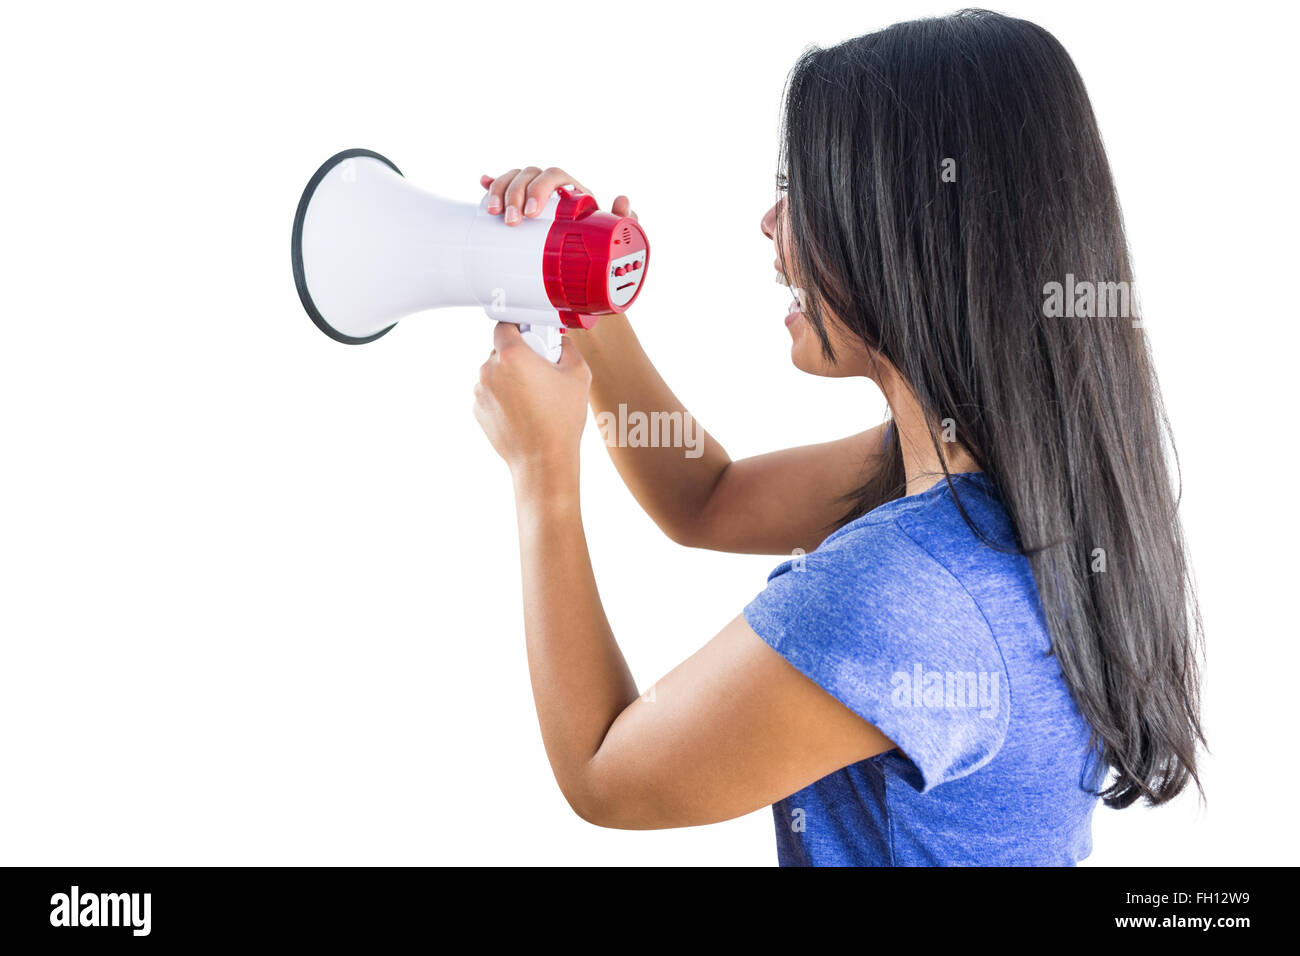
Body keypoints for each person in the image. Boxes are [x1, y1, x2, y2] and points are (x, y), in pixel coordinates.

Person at [470, 8, 1205, 865]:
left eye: (805, 186)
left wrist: (540, 471)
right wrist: (581, 296)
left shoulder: (902, 591)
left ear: (909, 228)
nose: (770, 222)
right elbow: (707, 501)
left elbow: (605, 772)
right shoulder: (1016, 482)